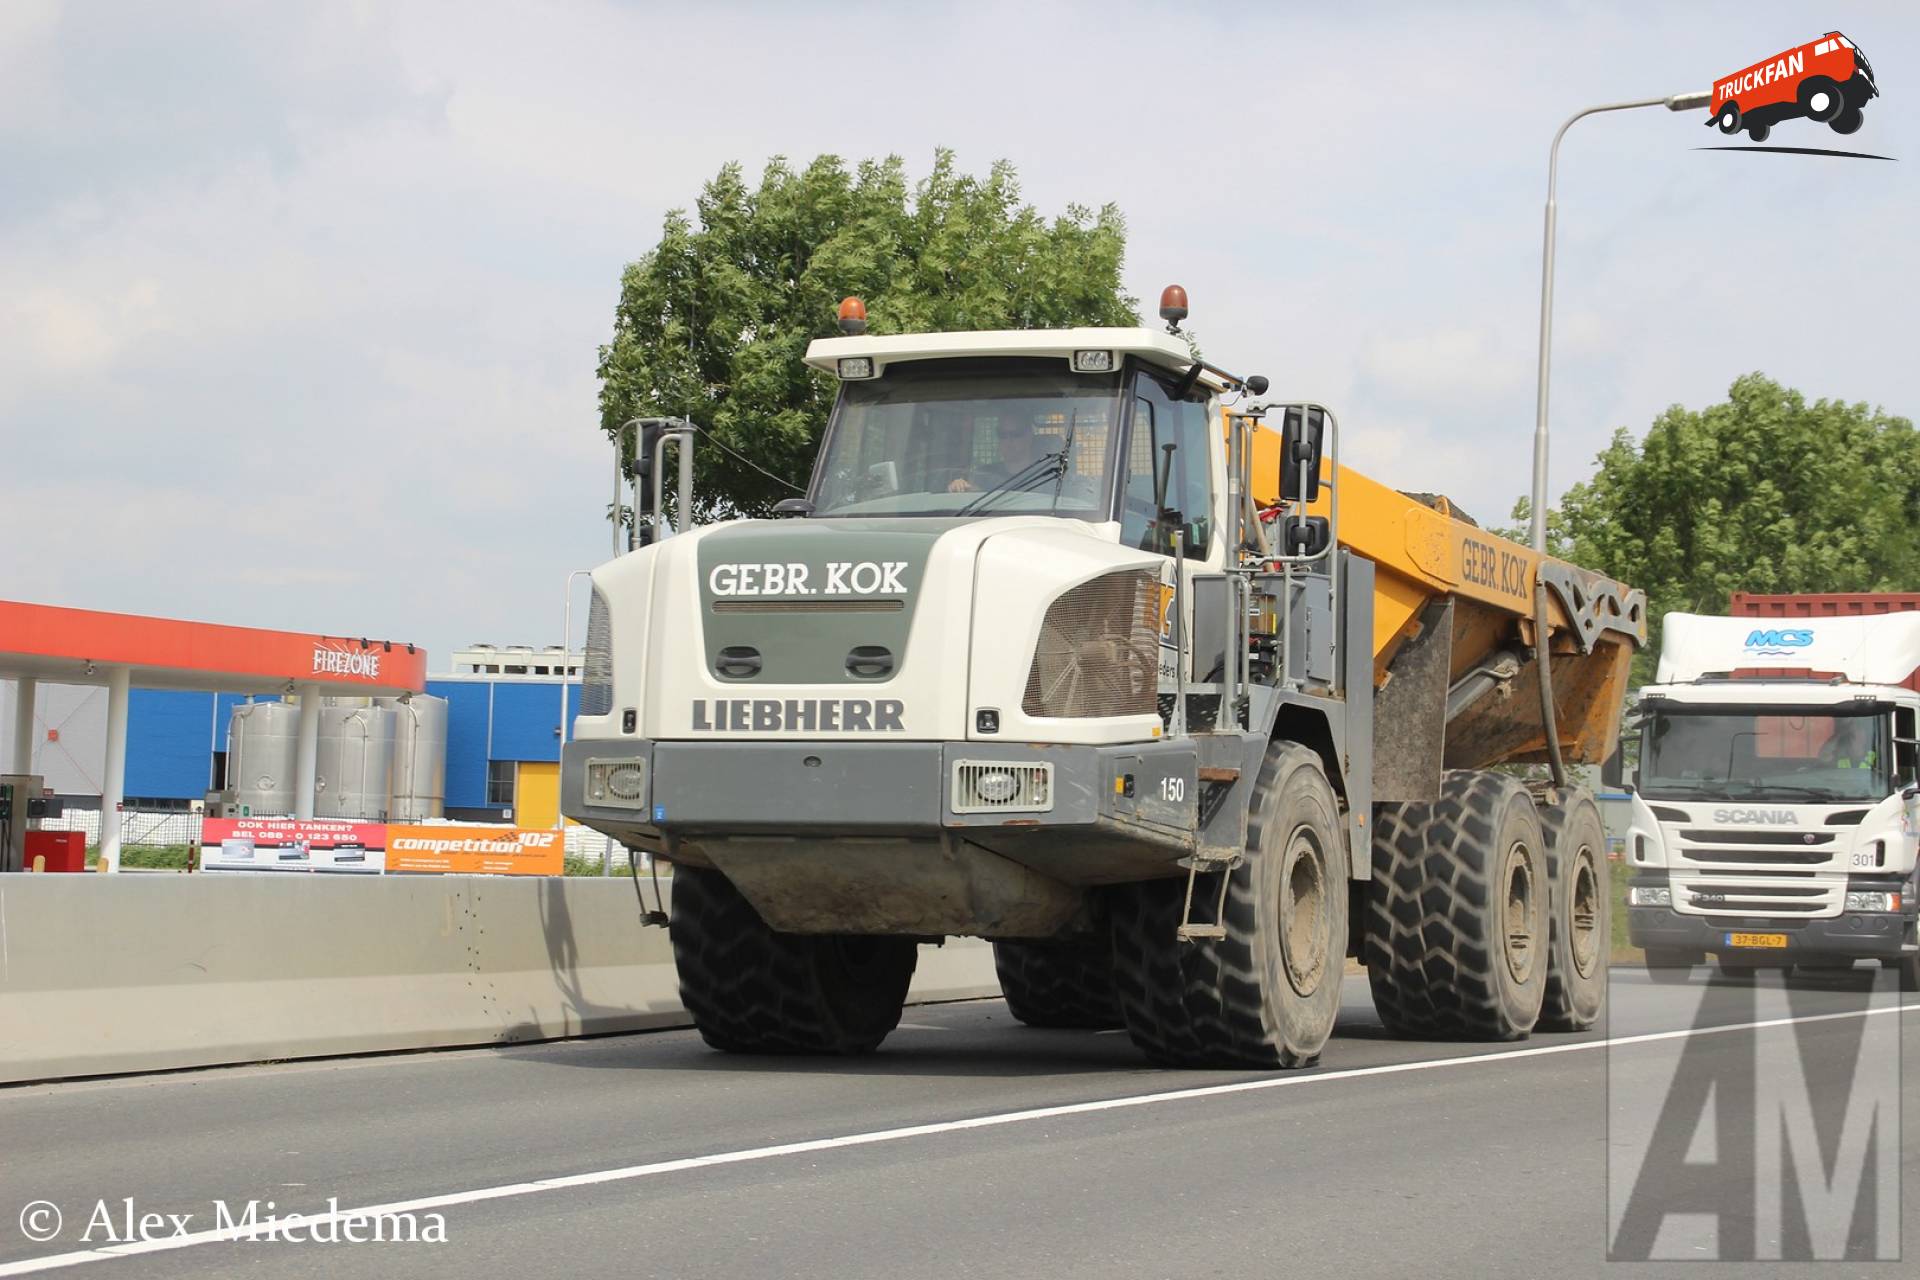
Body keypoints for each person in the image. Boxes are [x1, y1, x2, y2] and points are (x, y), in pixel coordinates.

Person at [948, 419, 1043, 493]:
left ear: (1029, 437)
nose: (1008, 441)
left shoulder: (1046, 475)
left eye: (1016, 434)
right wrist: (959, 487)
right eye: (1002, 435)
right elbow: (970, 499)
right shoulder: (983, 474)